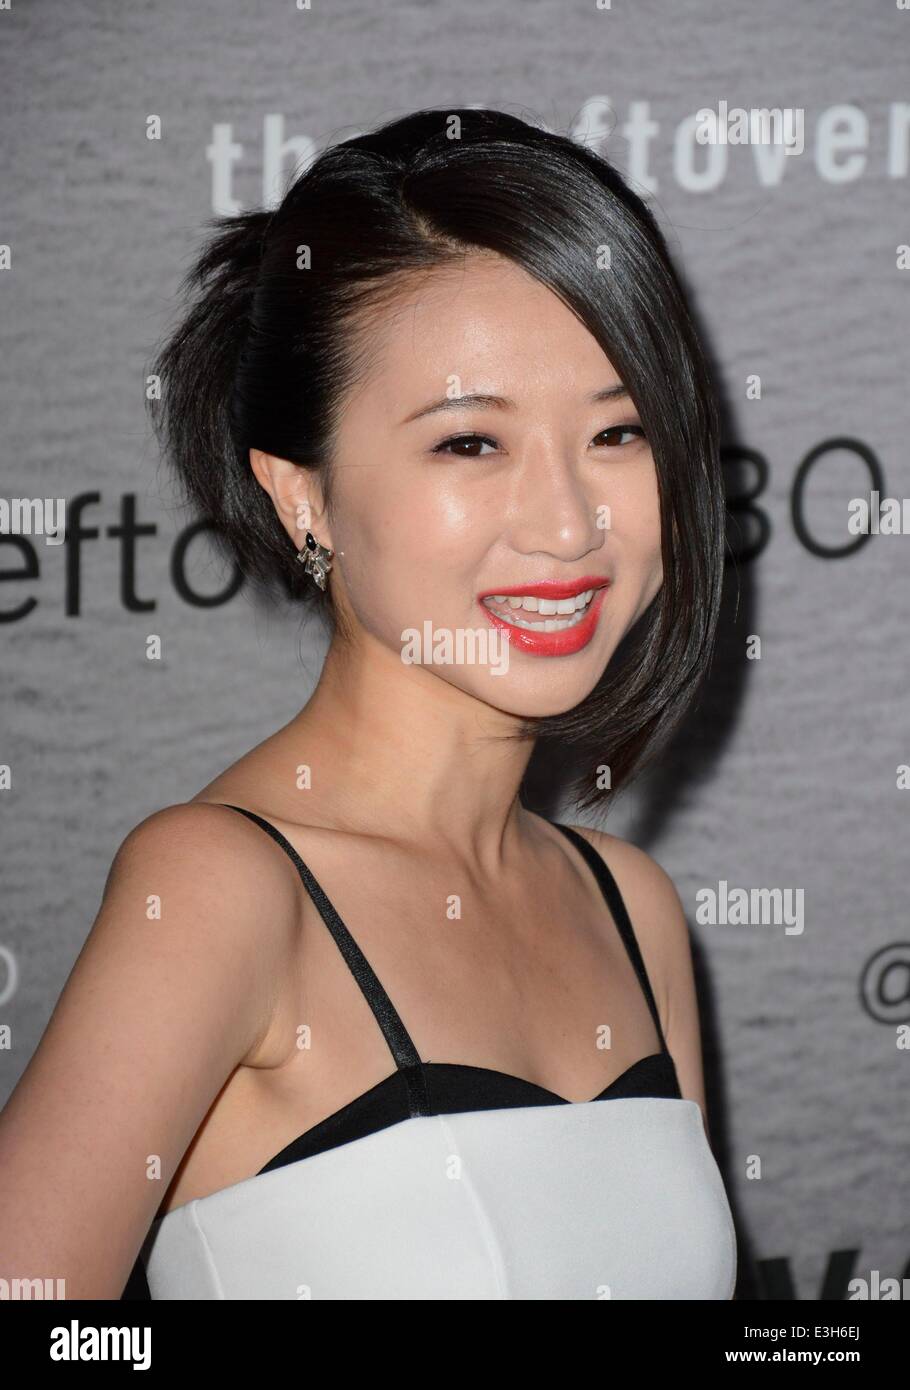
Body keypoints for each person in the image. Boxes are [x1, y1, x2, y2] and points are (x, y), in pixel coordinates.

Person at [0, 106, 736, 1300]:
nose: (567, 523)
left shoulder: (629, 906)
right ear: (306, 500)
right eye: (469, 444)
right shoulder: (219, 888)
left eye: (617, 431)